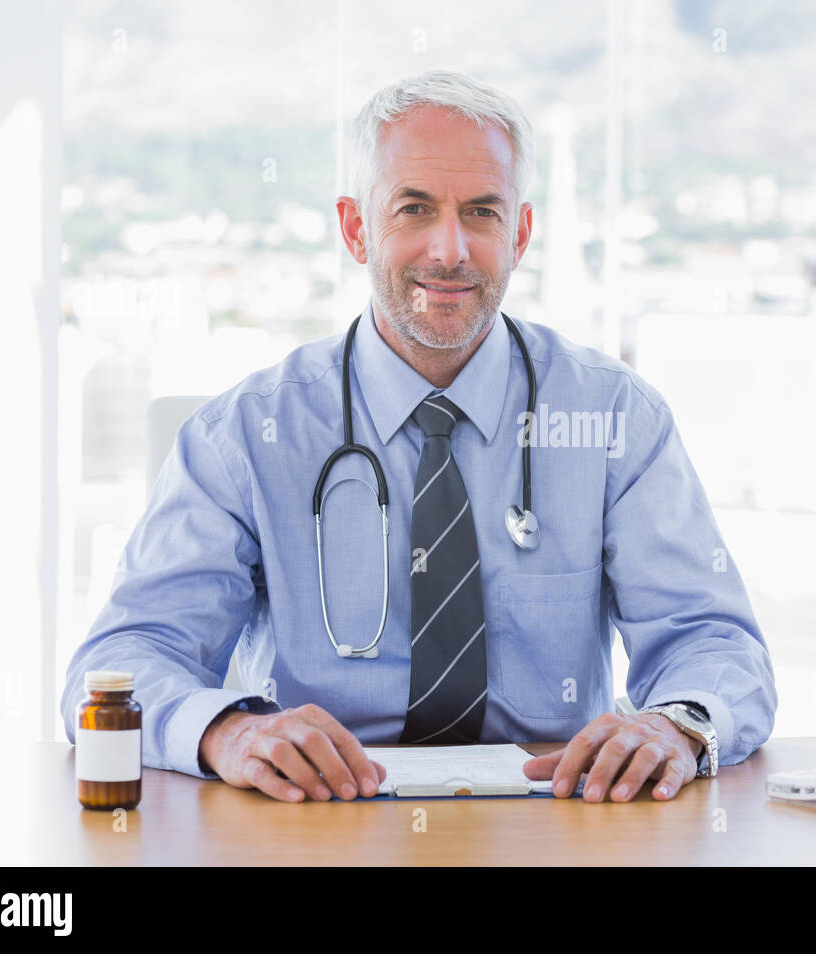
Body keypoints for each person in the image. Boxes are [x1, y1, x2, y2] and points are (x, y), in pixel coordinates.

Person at [61, 70, 776, 804]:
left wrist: (678, 726)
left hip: (560, 824)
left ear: (520, 234)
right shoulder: (243, 437)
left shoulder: (615, 420)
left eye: (482, 212)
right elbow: (124, 659)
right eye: (414, 209)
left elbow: (713, 642)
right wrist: (227, 732)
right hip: (318, 825)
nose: (451, 249)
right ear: (354, 229)